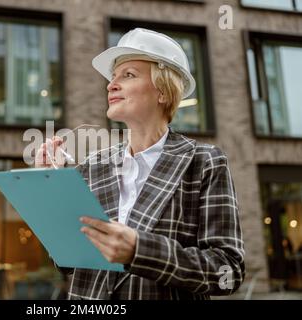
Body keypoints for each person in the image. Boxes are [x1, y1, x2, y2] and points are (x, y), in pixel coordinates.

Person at [35, 28, 245, 300]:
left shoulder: (203, 162)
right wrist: (53, 192)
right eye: (113, 77)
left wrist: (140, 251)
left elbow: (228, 272)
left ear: (163, 92)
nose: (111, 85)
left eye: (128, 75)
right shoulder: (91, 167)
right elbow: (67, 264)